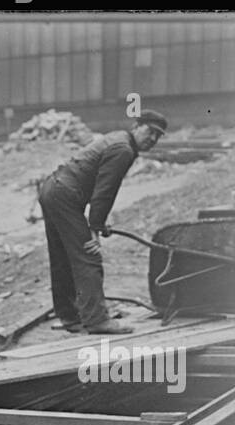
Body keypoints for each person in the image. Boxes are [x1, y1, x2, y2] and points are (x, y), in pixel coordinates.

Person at [38, 109, 169, 335]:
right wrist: (95, 229)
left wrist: (98, 224)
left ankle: (70, 317)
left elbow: (95, 183)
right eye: (150, 132)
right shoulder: (123, 149)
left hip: (52, 190)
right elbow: (104, 191)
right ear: (136, 127)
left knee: (62, 258)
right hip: (65, 195)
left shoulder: (118, 139)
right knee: (88, 256)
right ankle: (97, 321)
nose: (153, 140)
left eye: (158, 136)